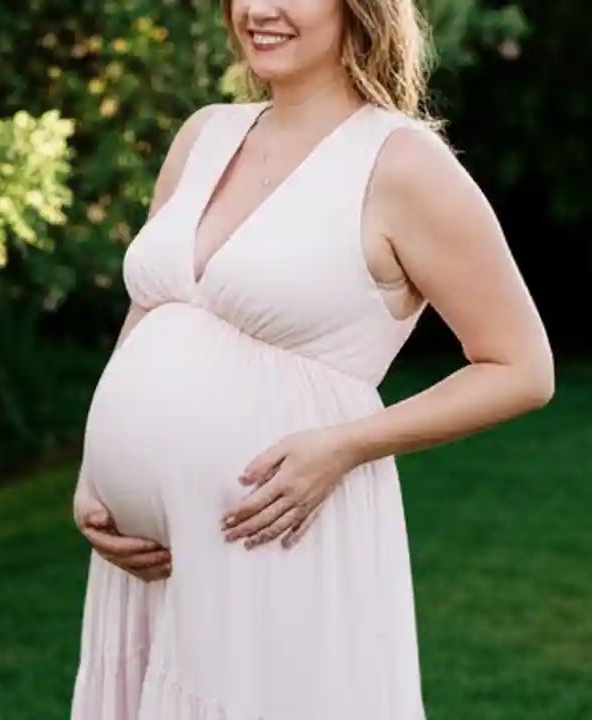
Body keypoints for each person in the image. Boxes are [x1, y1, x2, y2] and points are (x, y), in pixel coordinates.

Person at [69, 0, 554, 717]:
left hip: (273, 529)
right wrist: (92, 472)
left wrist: (345, 446)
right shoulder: (204, 134)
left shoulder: (400, 162)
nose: (259, 10)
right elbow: (152, 307)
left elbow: (521, 368)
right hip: (148, 558)